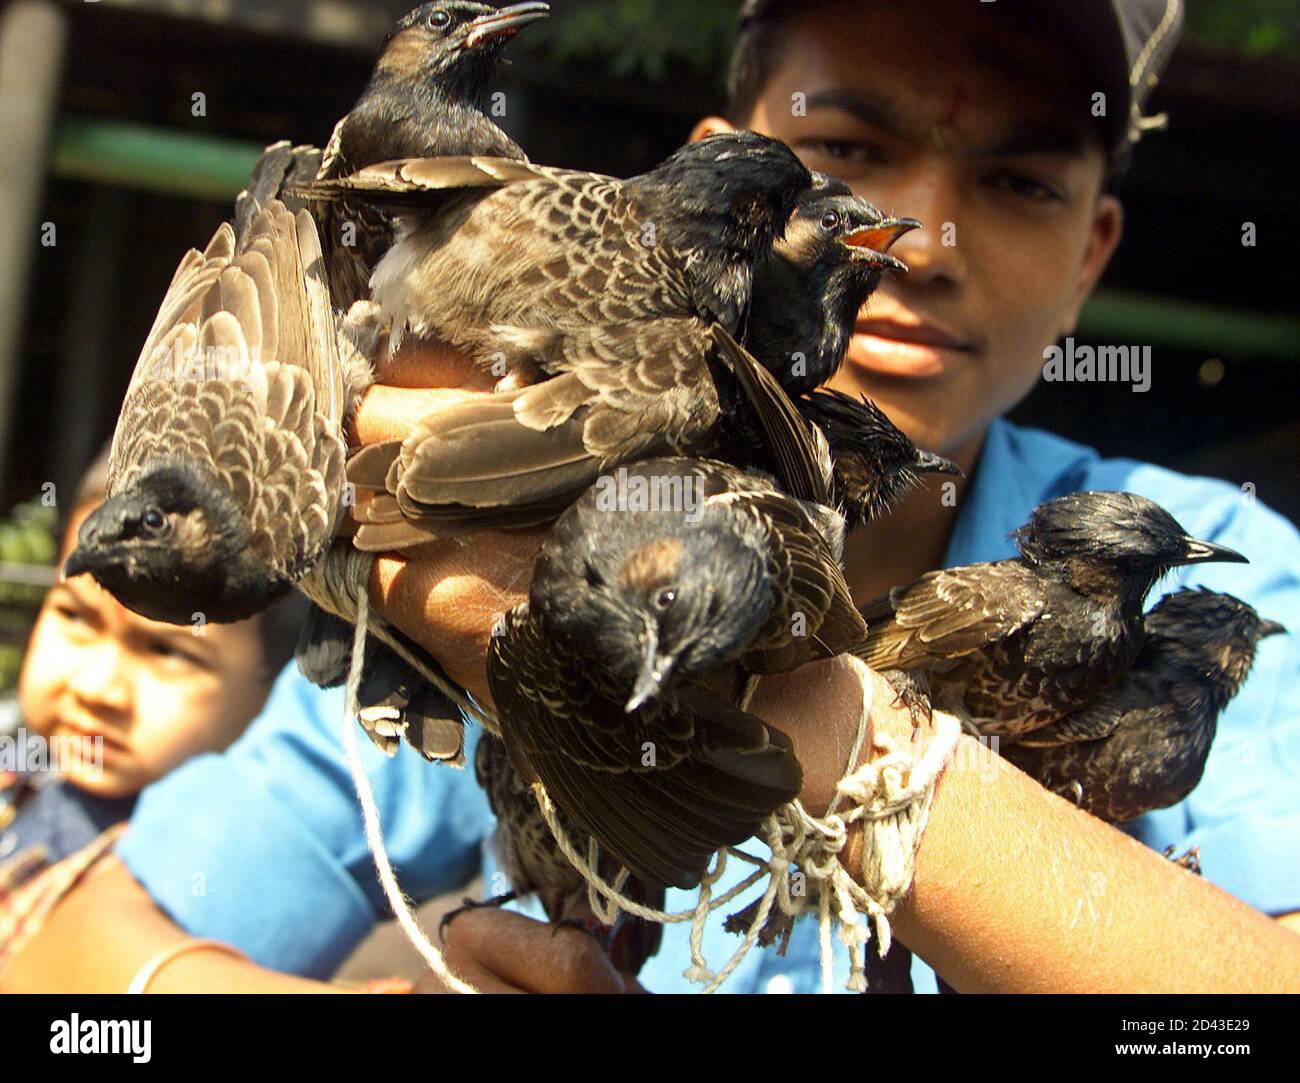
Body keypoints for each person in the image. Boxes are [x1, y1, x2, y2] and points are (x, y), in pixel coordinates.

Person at [7, 0, 1299, 994]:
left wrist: (823, 728)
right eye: (848, 145)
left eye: (1019, 181)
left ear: (1092, 260)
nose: (921, 237)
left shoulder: (1206, 571)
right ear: (718, 173)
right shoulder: (495, 522)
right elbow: (57, 949)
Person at [0, 450, 304, 983]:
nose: (97, 688)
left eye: (167, 652)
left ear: (275, 691)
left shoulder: (207, 883)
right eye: (75, 616)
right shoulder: (16, 771)